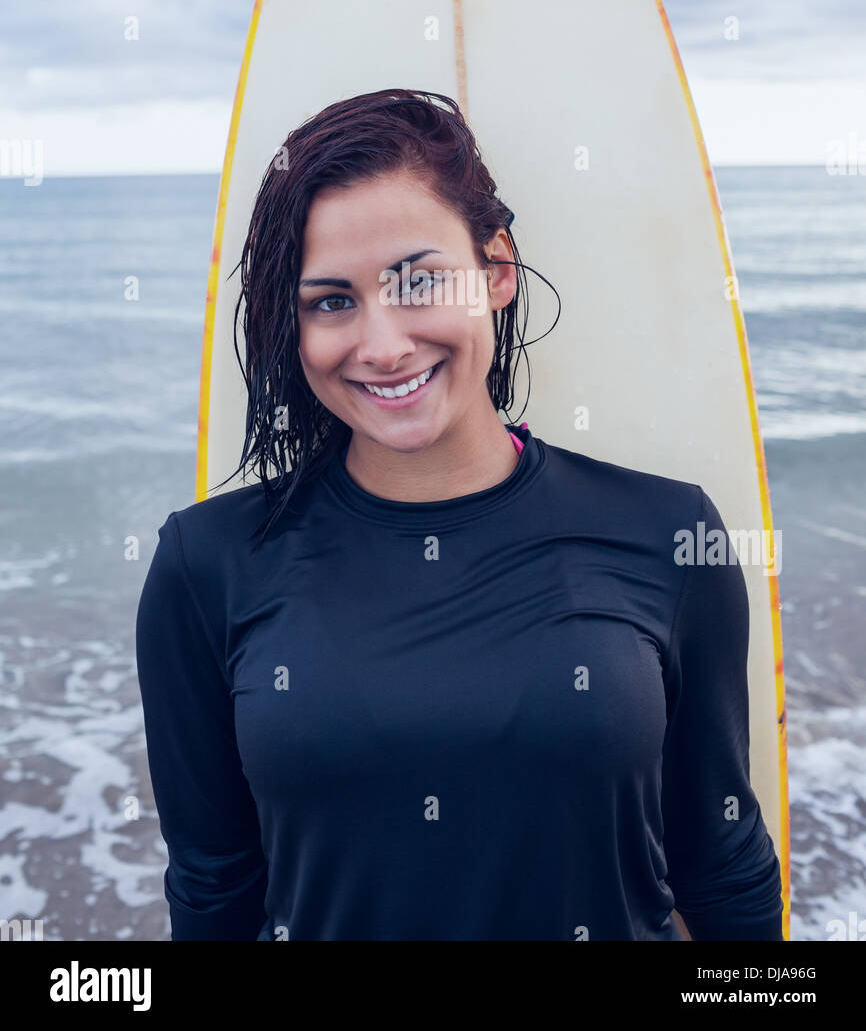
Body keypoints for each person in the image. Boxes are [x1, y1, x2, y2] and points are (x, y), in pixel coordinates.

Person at [135, 87, 784, 941]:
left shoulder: (668, 536)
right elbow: (214, 891)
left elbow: (724, 865)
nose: (383, 343)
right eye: (332, 301)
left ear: (498, 269)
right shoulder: (207, 564)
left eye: (419, 281)